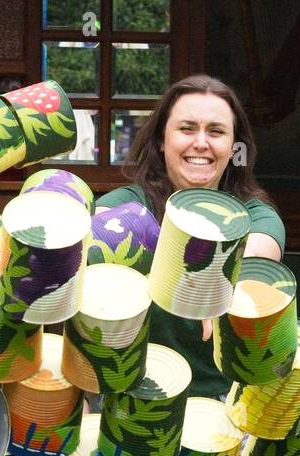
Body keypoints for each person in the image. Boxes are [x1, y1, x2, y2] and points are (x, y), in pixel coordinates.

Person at [97, 73, 286, 399]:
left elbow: (259, 254)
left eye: (216, 131)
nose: (201, 142)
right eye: (187, 129)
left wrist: (225, 281)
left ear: (233, 146)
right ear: (161, 139)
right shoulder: (127, 204)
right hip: (130, 399)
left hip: (221, 407)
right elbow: (94, 234)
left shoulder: (255, 213)